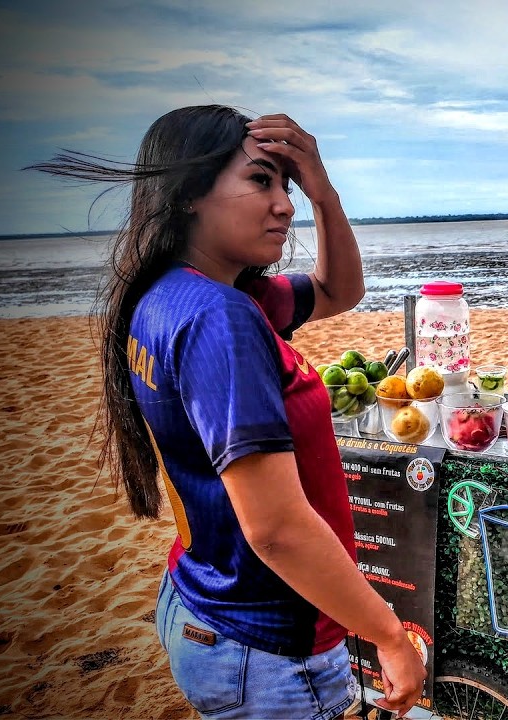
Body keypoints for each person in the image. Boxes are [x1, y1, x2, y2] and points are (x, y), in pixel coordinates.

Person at [29, 105, 425, 718]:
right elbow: (278, 529)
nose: (285, 205)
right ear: (189, 194)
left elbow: (338, 292)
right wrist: (388, 635)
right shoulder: (221, 318)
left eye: (286, 186)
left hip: (202, 600)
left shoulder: (171, 294)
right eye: (260, 180)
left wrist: (324, 191)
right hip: (265, 641)